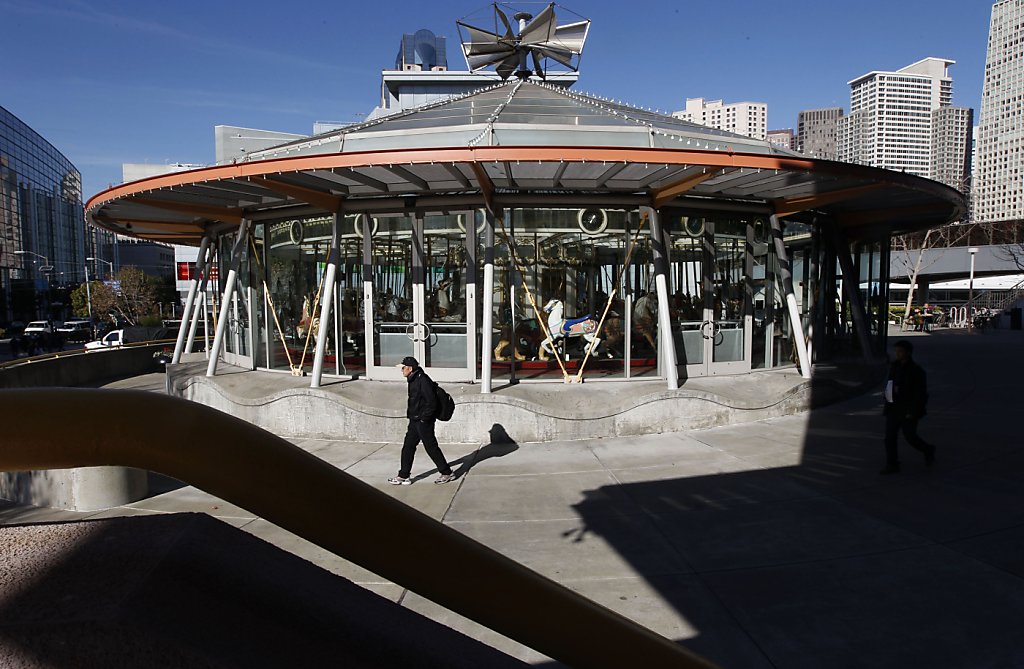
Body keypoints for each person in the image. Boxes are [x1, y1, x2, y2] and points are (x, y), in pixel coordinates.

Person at [388, 356, 456, 485]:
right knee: (408, 447)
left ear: (410, 368)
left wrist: (424, 419)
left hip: (423, 421)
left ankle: (447, 473)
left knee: (431, 447)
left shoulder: (422, 380)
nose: (401, 370)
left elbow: (432, 402)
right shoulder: (412, 379)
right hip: (415, 419)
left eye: (403, 368)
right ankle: (403, 475)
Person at [880, 340, 935, 474]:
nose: (897, 354)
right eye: (896, 351)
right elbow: (890, 384)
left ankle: (928, 449)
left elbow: (921, 394)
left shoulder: (916, 371)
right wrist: (887, 400)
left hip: (908, 408)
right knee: (890, 436)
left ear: (908, 353)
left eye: (900, 351)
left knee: (910, 436)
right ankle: (892, 464)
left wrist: (913, 411)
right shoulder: (894, 367)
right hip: (894, 407)